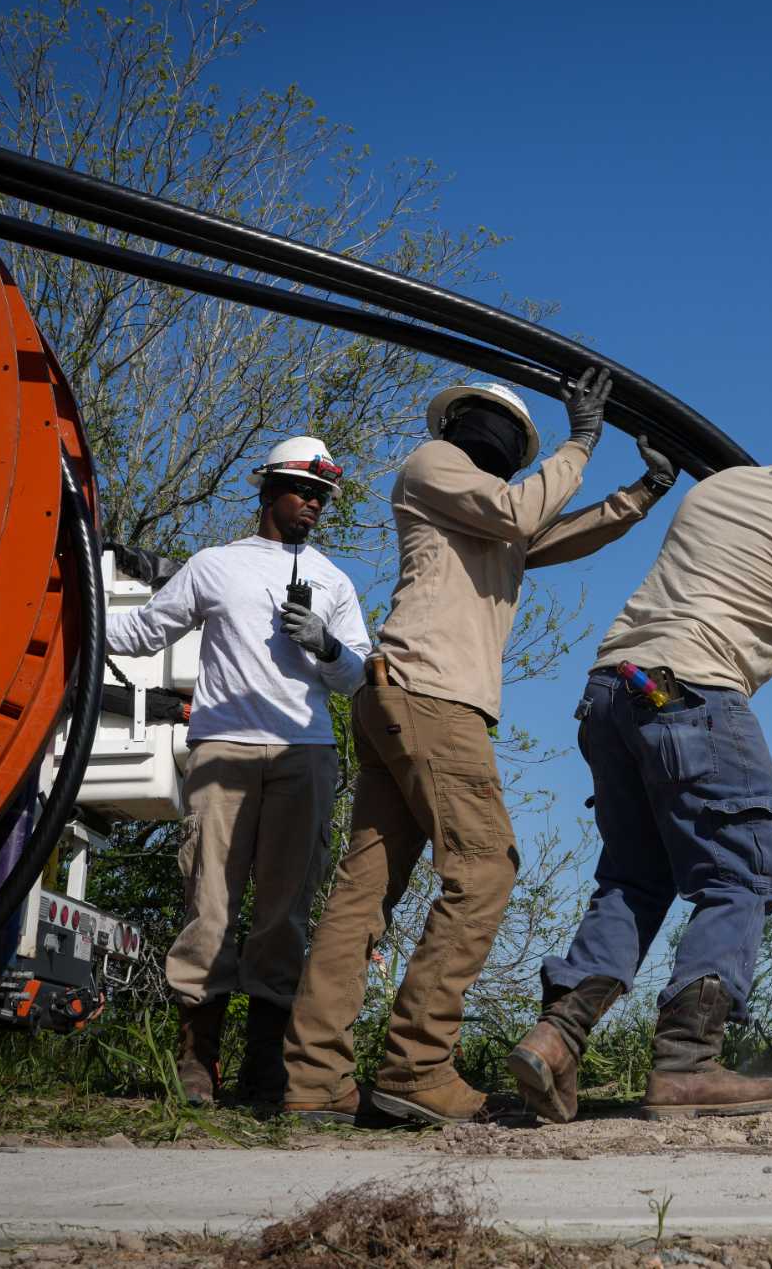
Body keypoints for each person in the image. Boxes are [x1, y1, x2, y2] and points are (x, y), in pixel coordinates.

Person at [509, 392, 772, 1123]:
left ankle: (556, 1038)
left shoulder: (720, 487)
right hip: (696, 698)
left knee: (634, 879)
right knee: (742, 875)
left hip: (613, 691)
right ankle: (686, 1064)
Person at [280, 368, 678, 1127]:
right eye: (489, 423)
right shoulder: (434, 466)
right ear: (457, 425)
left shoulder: (489, 518)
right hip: (433, 697)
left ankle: (315, 1077)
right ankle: (418, 1065)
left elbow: (554, 531)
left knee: (365, 893)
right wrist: (583, 440)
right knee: (485, 867)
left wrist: (645, 492)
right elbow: (521, 509)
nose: (494, 438)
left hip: (404, 698)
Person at [104, 436, 371, 1107]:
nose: (314, 503)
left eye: (322, 496)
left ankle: (265, 1067)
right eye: (303, 490)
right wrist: (70, 615)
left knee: (285, 911)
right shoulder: (216, 565)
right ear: (269, 490)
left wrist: (325, 644)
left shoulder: (334, 581)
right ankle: (198, 1062)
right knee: (209, 903)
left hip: (305, 753)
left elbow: (356, 676)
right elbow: (142, 633)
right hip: (222, 748)